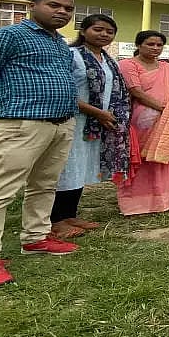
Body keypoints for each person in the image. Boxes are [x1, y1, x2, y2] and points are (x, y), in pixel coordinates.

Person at [0, 0, 80, 286]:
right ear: (33, 6)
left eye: (68, 9)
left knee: (44, 185)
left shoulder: (60, 44)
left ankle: (35, 237)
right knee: (1, 189)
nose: (62, 12)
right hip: (23, 122)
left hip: (61, 123)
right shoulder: (7, 36)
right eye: (54, 5)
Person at [51, 14, 131, 239]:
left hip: (97, 123)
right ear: (84, 31)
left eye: (109, 31)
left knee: (81, 167)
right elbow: (64, 91)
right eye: (99, 29)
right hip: (74, 120)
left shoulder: (108, 60)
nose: (104, 34)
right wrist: (97, 112)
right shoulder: (72, 55)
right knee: (66, 167)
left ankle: (70, 214)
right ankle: (55, 220)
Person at [117, 31, 169, 215]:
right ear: (138, 45)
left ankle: (168, 198)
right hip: (141, 118)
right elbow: (136, 91)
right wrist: (163, 108)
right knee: (142, 157)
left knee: (166, 157)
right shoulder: (128, 64)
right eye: (150, 44)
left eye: (159, 45)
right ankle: (138, 202)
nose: (155, 48)